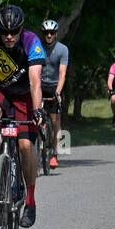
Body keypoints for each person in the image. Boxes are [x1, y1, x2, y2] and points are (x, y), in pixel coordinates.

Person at [0, 4, 47, 228]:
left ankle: (30, 201)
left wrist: (37, 110)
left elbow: (35, 81)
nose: (8, 37)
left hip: (25, 95)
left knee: (26, 146)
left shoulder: (32, 41)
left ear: (20, 29)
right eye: (4, 32)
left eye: (13, 32)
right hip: (1, 90)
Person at [38, 19, 68, 169]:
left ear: (56, 34)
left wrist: (57, 92)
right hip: (40, 85)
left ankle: (54, 153)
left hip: (55, 86)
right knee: (36, 116)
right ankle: (37, 148)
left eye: (51, 33)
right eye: (46, 33)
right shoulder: (37, 48)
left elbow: (63, 74)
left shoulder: (63, 49)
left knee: (55, 120)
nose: (49, 35)